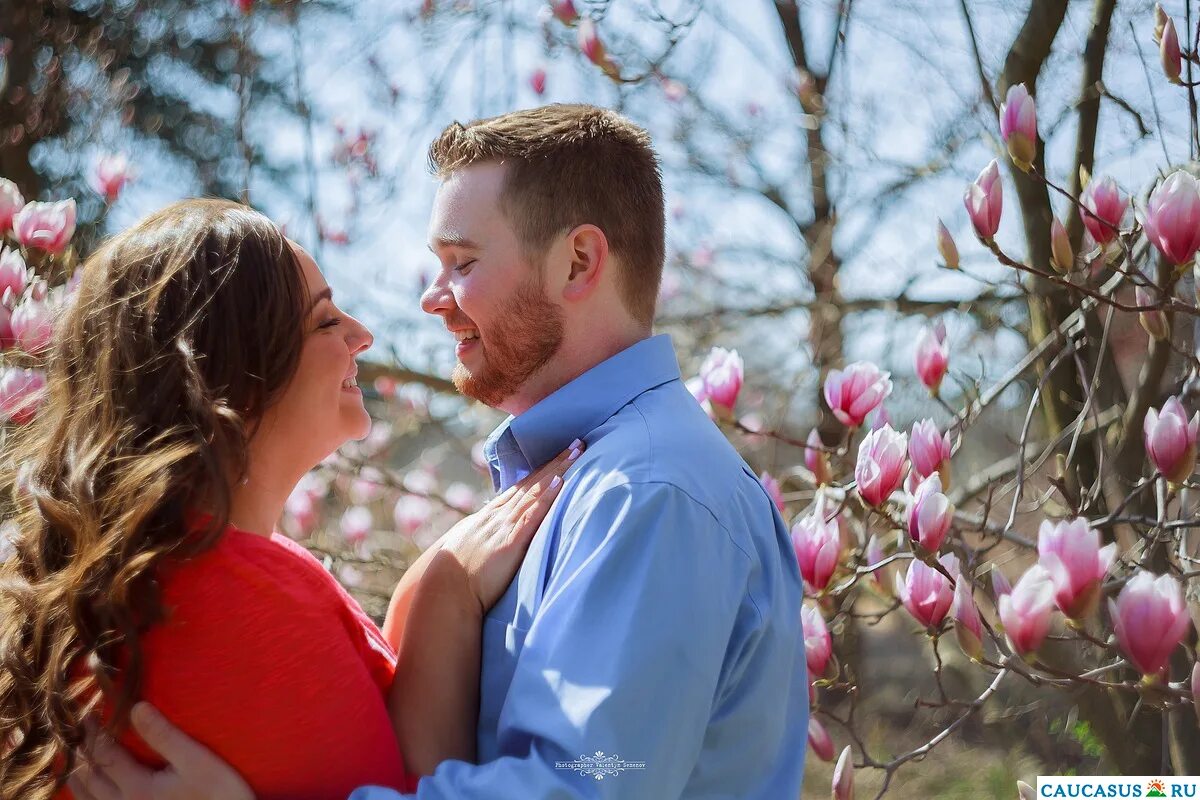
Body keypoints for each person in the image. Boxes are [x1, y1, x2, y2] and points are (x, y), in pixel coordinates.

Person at [71, 103, 810, 799]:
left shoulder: (645, 493)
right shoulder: (587, 480)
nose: (432, 297)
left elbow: (590, 778)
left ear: (580, 262)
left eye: (461, 262)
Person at [0, 198, 581, 800]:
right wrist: (446, 595)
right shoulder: (237, 602)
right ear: (233, 373)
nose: (362, 335)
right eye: (326, 321)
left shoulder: (142, 582)